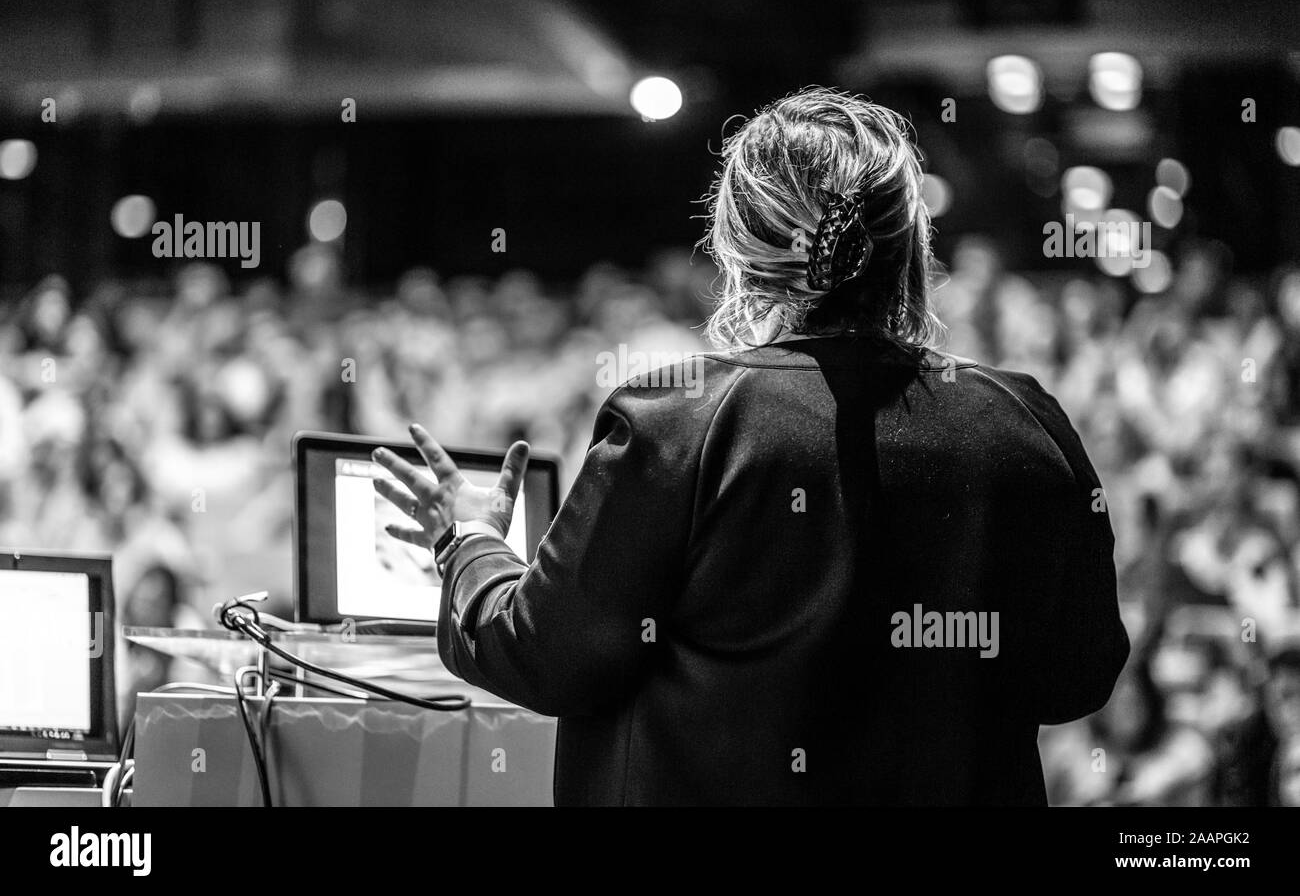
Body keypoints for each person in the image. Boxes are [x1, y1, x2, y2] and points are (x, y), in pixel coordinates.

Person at [371, 87, 1131, 805]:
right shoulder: (1024, 421)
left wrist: (466, 542)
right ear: (910, 246)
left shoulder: (679, 422)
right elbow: (1079, 676)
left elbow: (544, 654)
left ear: (738, 251)